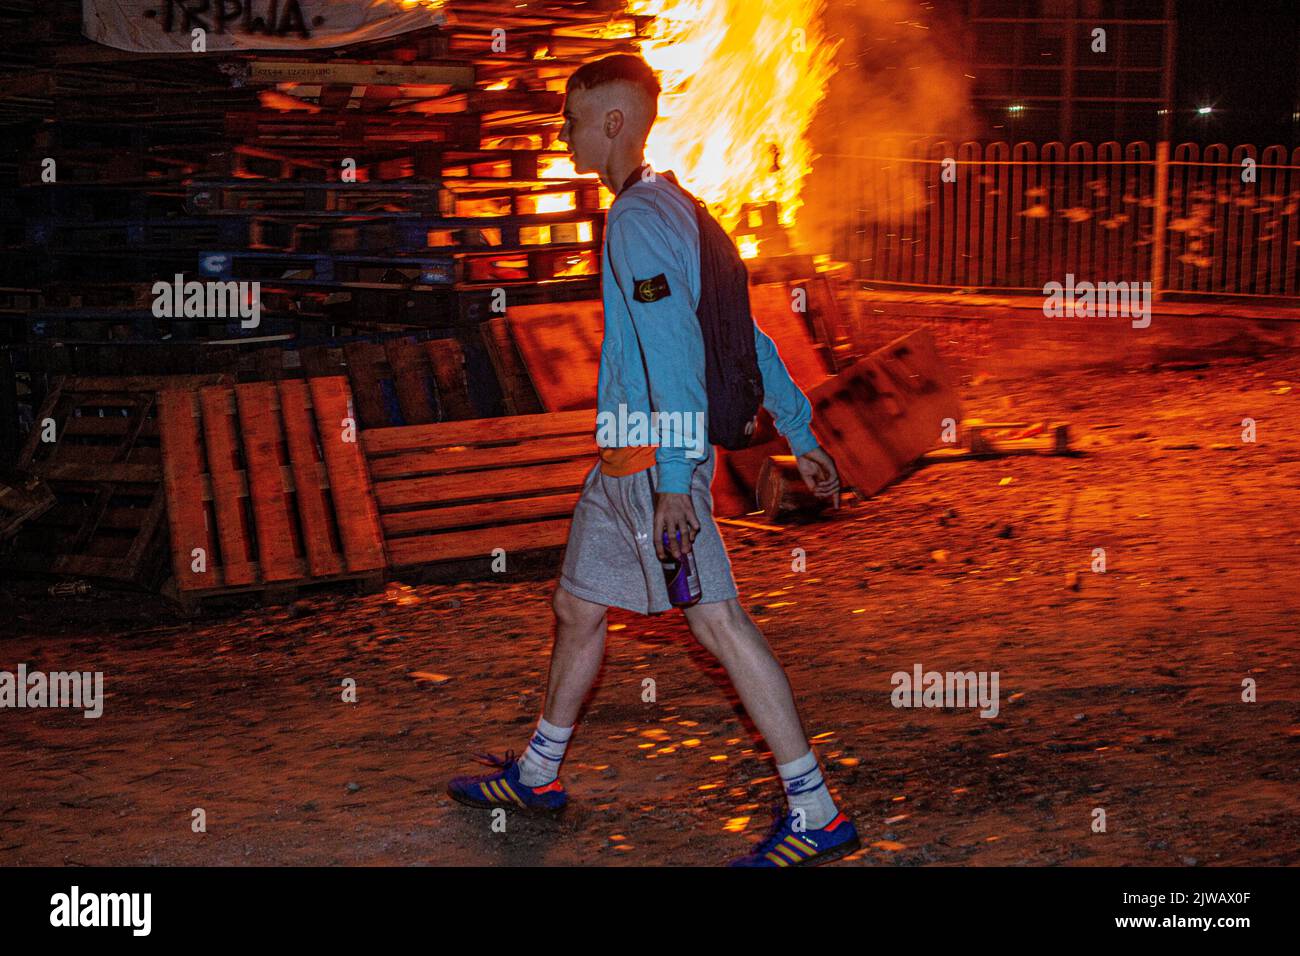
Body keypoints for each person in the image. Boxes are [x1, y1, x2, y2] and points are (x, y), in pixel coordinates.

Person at [448, 53, 858, 867]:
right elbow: (743, 335)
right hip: (621, 474)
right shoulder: (680, 207)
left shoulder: (636, 221)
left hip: (649, 473)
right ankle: (538, 773)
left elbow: (676, 350)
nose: (562, 133)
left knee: (719, 621)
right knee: (576, 607)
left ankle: (816, 810)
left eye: (571, 119)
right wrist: (802, 433)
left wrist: (676, 480)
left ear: (612, 122)